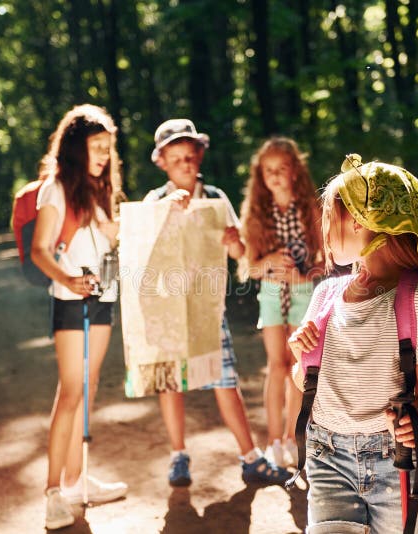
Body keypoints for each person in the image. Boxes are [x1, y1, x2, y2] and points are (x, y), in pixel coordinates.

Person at [288, 155, 418, 533]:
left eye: (330, 218)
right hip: (326, 459)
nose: (323, 230)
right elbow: (306, 383)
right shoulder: (325, 296)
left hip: (397, 462)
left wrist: (417, 422)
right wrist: (299, 357)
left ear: (360, 220)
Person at [143, 118, 292, 487]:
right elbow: (142, 253)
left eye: (189, 154)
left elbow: (241, 253)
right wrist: (167, 218)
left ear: (199, 154)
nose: (184, 162)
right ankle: (178, 456)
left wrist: (232, 243)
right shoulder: (154, 202)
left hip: (208, 309)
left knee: (225, 381)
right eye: (175, 156)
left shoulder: (215, 198)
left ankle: (250, 458)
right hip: (168, 310)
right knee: (170, 383)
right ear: (161, 161)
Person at [31, 104, 128, 530]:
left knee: (86, 393)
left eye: (109, 147)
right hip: (70, 301)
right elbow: (40, 249)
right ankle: (53, 492)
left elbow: (113, 244)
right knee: (70, 393)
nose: (105, 155)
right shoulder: (56, 188)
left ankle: (76, 480)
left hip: (102, 299)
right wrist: (68, 280)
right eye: (97, 146)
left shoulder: (102, 190)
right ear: (76, 146)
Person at [238, 137, 323, 468]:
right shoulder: (257, 214)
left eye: (281, 169)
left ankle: (293, 438)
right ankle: (274, 441)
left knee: (297, 366)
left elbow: (327, 259)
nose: (274, 176)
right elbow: (249, 268)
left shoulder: (310, 208)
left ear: (295, 172)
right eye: (267, 171)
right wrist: (271, 259)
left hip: (303, 292)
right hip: (272, 292)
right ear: (260, 176)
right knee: (276, 365)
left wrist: (307, 275)